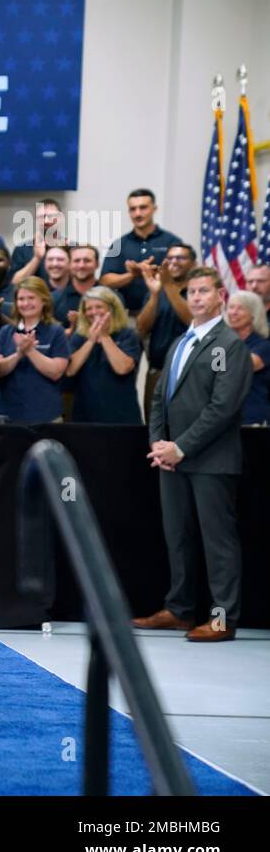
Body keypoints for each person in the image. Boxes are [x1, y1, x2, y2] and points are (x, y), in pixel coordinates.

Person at [135, 267, 252, 642]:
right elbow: (159, 398)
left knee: (217, 542)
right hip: (170, 459)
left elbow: (223, 408)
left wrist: (180, 447)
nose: (197, 297)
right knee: (178, 536)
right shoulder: (179, 343)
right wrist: (158, 443)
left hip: (211, 462)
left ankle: (222, 618)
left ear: (220, 296)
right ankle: (180, 610)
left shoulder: (228, 345)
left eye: (204, 291)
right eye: (192, 292)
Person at [0, 277, 70, 424]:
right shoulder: (5, 332)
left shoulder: (56, 331)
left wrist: (30, 352)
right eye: (21, 299)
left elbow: (56, 372)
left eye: (31, 298)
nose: (26, 303)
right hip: (8, 415)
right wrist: (19, 354)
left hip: (46, 416)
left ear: (44, 300)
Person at [100, 188, 185, 314]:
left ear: (154, 209)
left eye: (143, 207)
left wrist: (153, 272)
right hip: (128, 316)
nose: (137, 214)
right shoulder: (119, 244)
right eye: (133, 209)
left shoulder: (172, 242)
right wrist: (132, 274)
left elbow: (183, 277)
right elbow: (105, 281)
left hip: (165, 316)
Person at [65, 286, 142, 424]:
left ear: (111, 309)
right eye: (88, 308)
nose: (93, 312)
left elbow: (123, 368)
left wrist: (104, 336)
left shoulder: (127, 334)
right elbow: (70, 370)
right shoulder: (79, 337)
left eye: (99, 306)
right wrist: (91, 340)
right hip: (85, 417)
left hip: (121, 417)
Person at [136, 244, 195, 420]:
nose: (174, 262)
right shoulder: (157, 289)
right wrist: (155, 294)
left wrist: (168, 285)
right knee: (154, 428)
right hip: (158, 372)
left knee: (186, 427)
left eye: (181, 258)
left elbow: (193, 321)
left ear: (193, 263)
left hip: (189, 373)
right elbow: (142, 327)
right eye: (170, 258)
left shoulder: (197, 290)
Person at [226, 290, 270, 425]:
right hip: (225, 418)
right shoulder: (222, 343)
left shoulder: (264, 346)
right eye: (231, 307)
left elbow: (240, 368)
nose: (233, 312)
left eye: (240, 308)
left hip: (252, 417)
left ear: (253, 315)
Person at [52, 245, 101, 327]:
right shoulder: (54, 299)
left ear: (97, 264)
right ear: (69, 264)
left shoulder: (112, 297)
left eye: (87, 261)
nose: (81, 265)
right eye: (76, 261)